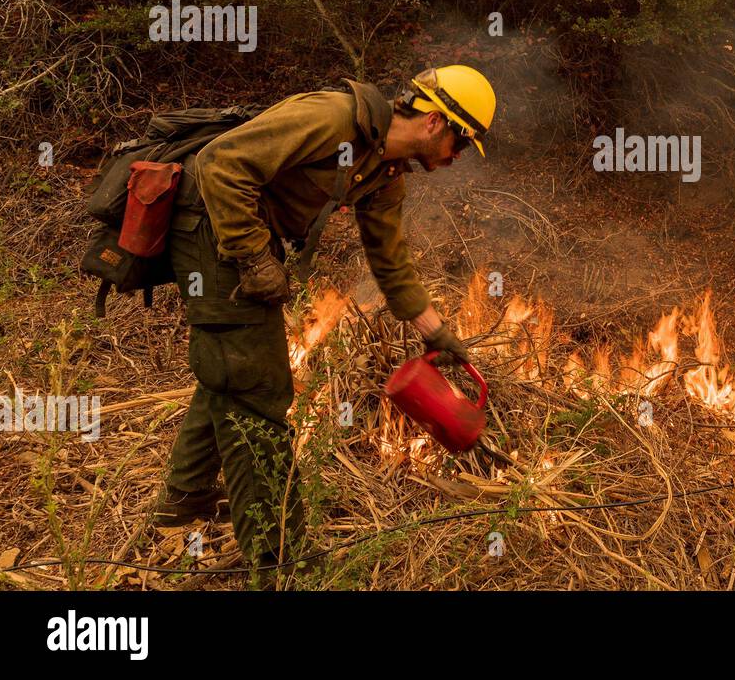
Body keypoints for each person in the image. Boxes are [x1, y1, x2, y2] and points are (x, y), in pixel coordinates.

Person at [152, 65, 496, 576]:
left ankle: (183, 496)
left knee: (233, 368)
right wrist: (251, 257)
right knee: (261, 391)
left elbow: (389, 258)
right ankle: (279, 560)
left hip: (246, 240)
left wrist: (434, 330)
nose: (455, 158)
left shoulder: (386, 171)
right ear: (433, 122)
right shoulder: (332, 118)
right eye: (460, 144)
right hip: (210, 229)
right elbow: (219, 163)